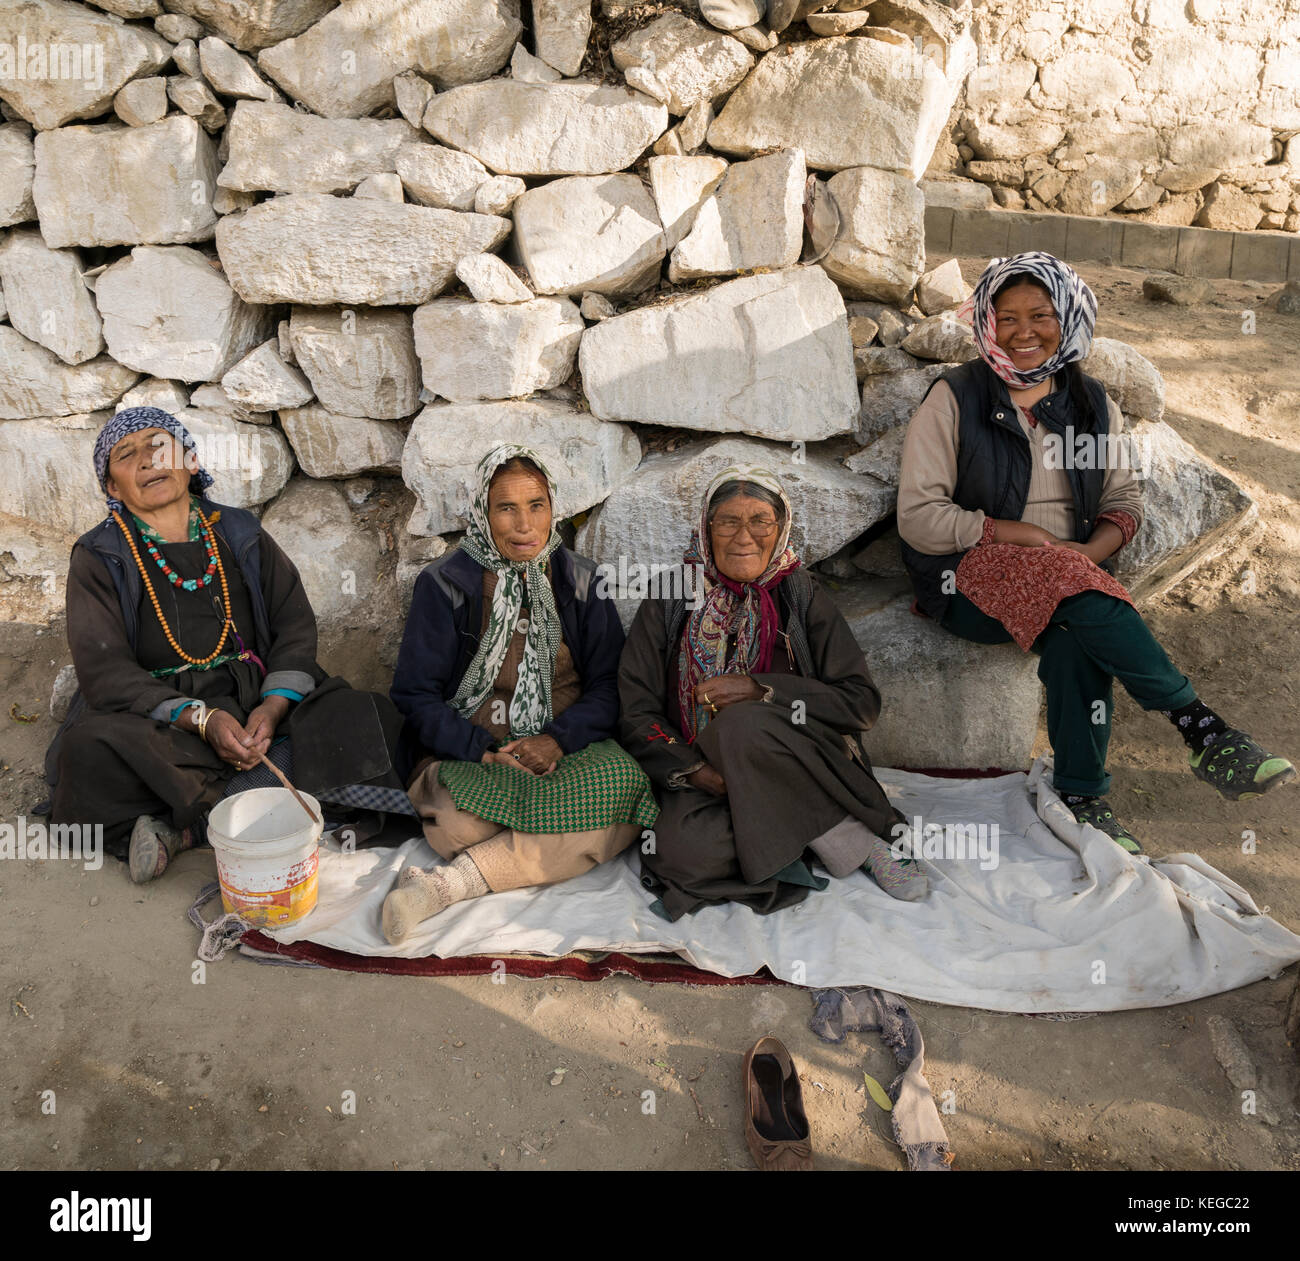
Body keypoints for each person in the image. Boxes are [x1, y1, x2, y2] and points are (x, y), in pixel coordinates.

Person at [897, 250, 1294, 853]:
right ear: (987, 323)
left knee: (1073, 632)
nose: (1022, 332)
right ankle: (1201, 730)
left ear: (1069, 317)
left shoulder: (1090, 404)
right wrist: (1025, 537)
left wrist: (1085, 553)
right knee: (1071, 590)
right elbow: (920, 519)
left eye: (1040, 315)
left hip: (1073, 579)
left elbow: (1123, 499)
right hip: (968, 577)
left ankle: (1083, 798)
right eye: (1006, 318)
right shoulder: (955, 398)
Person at [45, 406, 410, 883]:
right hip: (163, 719)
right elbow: (103, 670)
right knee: (88, 752)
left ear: (190, 461)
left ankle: (188, 823)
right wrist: (202, 718)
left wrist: (274, 708)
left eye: (159, 445)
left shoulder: (239, 531)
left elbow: (294, 625)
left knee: (366, 715)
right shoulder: (99, 556)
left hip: (255, 699)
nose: (147, 460)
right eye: (126, 455)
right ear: (113, 488)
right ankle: (267, 801)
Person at [618, 464, 927, 921]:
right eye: (728, 521)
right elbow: (635, 709)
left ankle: (857, 845)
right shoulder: (670, 596)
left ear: (780, 530)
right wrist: (694, 769)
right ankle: (804, 833)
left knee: (741, 723)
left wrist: (763, 690)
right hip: (709, 774)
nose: (745, 537)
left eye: (760, 520)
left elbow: (860, 703)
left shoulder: (801, 595)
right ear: (706, 529)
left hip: (802, 761)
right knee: (681, 855)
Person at [384, 444, 655, 943]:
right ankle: (537, 848)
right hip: (473, 755)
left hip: (566, 755)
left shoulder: (579, 581)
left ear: (553, 509)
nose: (525, 525)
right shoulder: (446, 584)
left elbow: (609, 685)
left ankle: (443, 888)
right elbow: (414, 695)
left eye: (537, 506)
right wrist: (483, 753)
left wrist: (556, 741)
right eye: (506, 508)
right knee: (457, 826)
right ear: (482, 515)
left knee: (629, 790)